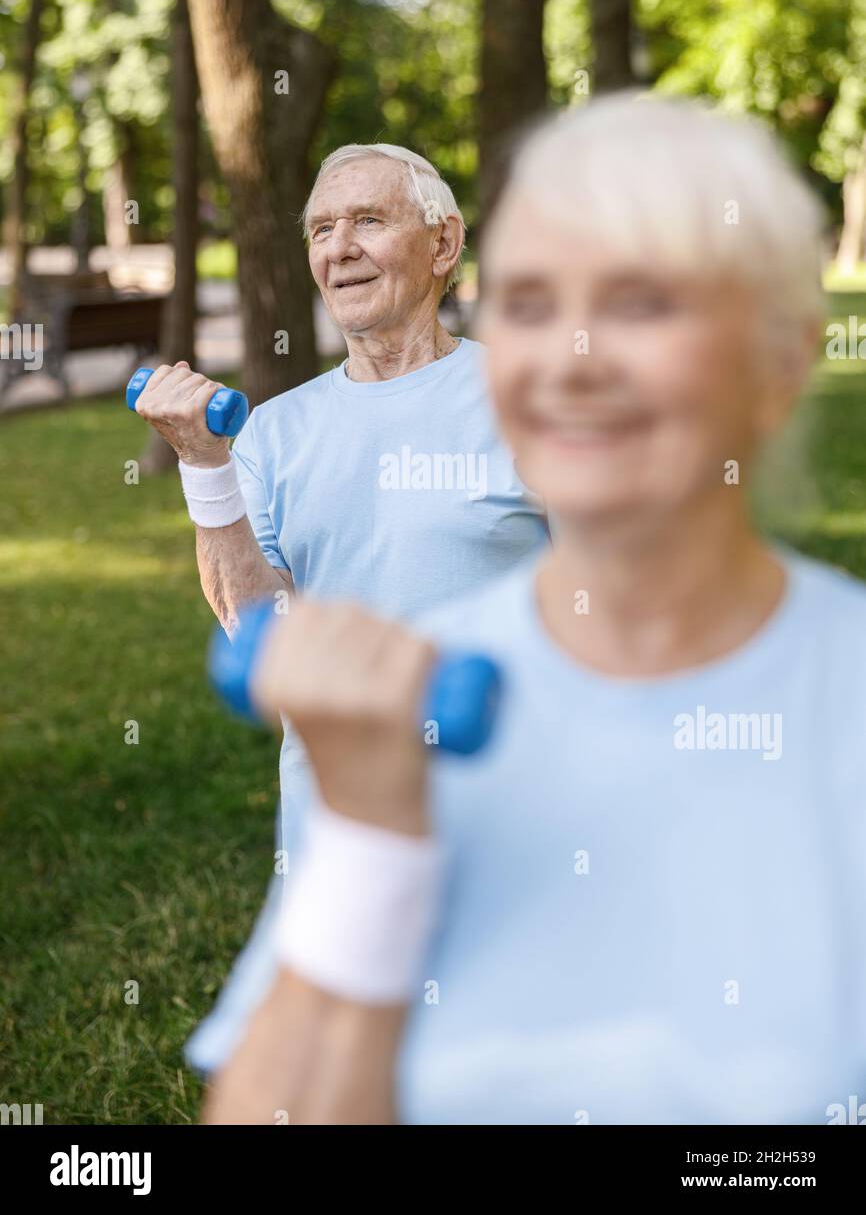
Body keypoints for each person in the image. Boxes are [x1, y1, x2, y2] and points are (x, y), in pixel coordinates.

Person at [203, 93, 866, 1125]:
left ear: (777, 360)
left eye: (641, 302)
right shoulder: (405, 717)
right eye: (526, 303)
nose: (569, 358)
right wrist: (376, 841)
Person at [133, 144, 547, 1074]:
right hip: (341, 826)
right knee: (341, 1077)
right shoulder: (277, 431)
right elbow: (262, 639)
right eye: (322, 228)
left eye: (368, 220)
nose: (339, 248)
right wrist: (207, 470)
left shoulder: (529, 399)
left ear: (443, 243)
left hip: (519, 811)